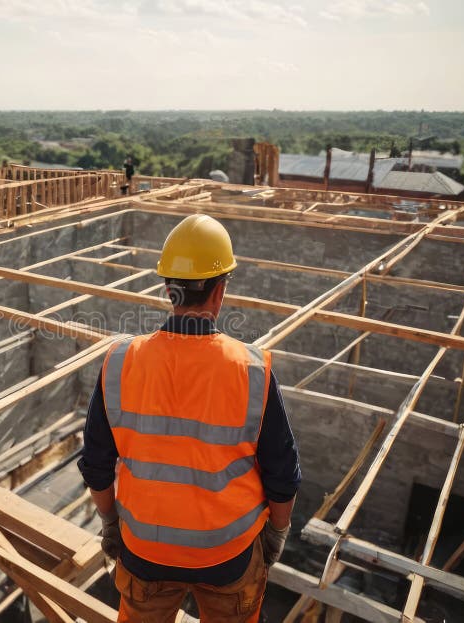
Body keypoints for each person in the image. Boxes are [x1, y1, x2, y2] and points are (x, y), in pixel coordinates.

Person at [78, 214, 301, 622]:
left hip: (144, 551)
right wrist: (278, 531)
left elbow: (95, 464)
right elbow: (282, 472)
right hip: (227, 554)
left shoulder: (119, 362)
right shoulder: (252, 371)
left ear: (169, 290)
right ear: (220, 292)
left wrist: (110, 522)